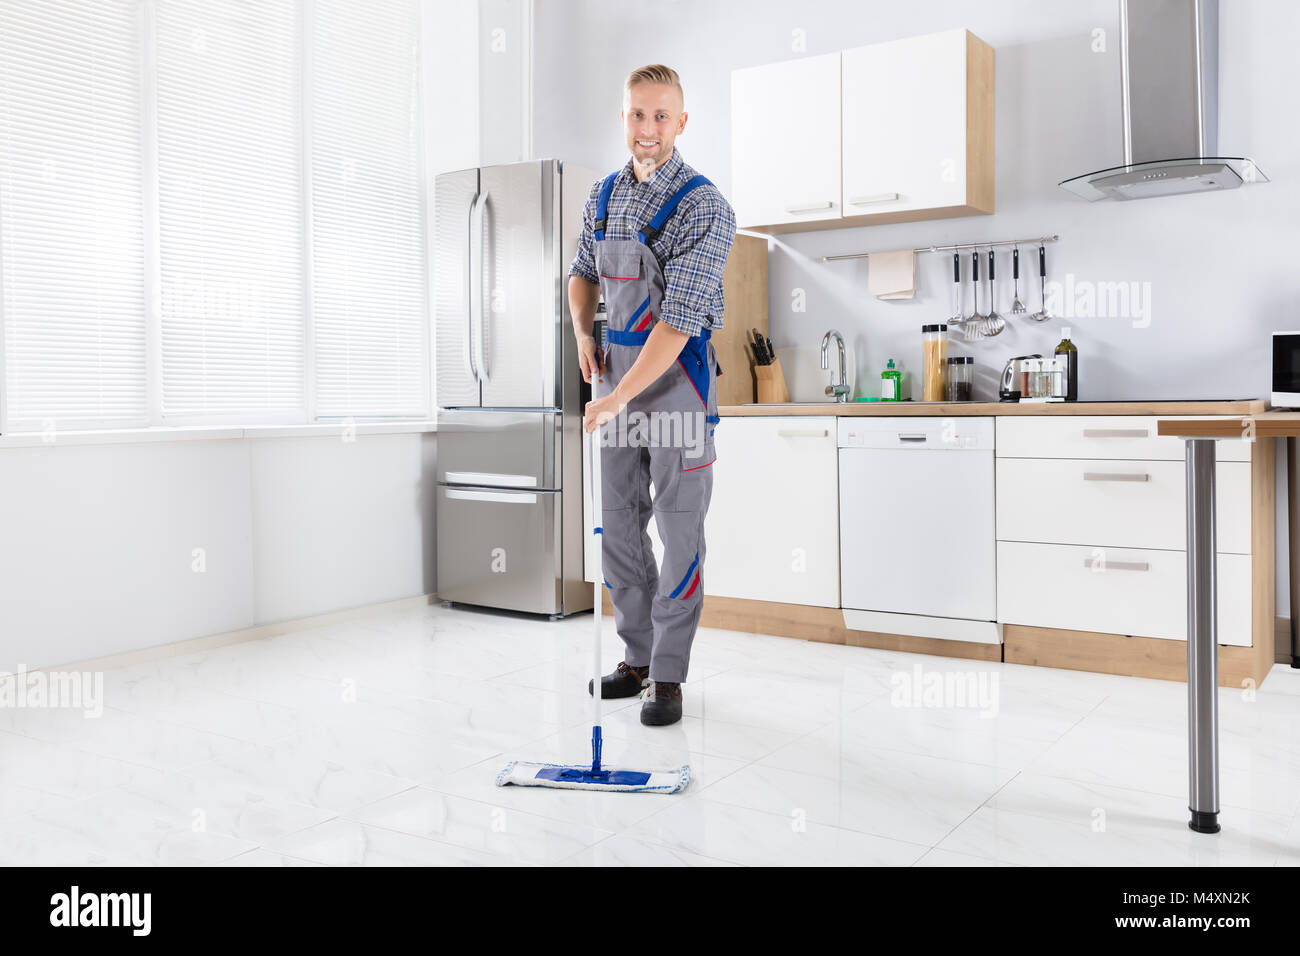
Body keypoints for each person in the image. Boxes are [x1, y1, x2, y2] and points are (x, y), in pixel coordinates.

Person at [567, 64, 736, 727]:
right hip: (613, 386)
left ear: (682, 122)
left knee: (678, 534)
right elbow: (582, 274)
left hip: (675, 394)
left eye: (661, 116)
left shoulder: (704, 206)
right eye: (638, 114)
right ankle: (634, 659)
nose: (648, 128)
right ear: (624, 116)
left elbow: (673, 327)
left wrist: (616, 398)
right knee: (618, 529)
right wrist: (584, 332)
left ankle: (668, 676)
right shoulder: (603, 194)